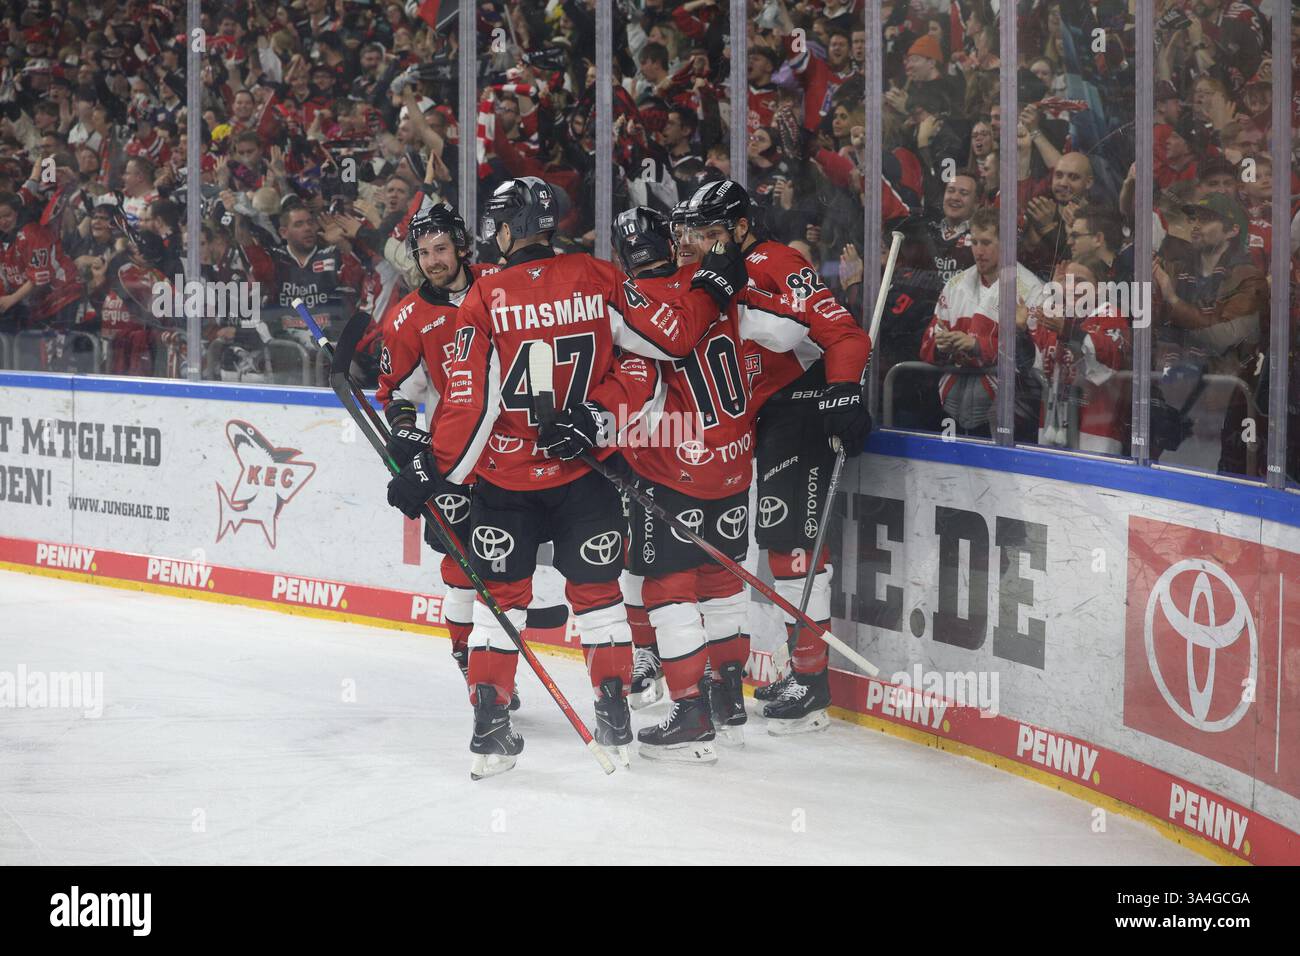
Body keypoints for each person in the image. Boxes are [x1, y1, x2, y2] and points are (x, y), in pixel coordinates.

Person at [387, 176, 747, 777]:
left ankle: (490, 731)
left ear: (506, 229)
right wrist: (599, 414)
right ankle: (615, 726)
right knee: (600, 602)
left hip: (506, 482)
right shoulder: (600, 276)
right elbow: (667, 344)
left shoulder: (487, 295)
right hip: (587, 476)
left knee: (498, 604)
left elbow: (470, 404)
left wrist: (428, 469)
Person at [678, 180, 872, 735]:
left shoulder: (774, 260)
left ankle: (811, 684)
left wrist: (842, 392)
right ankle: (803, 675)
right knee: (780, 542)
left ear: (742, 227)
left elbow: (843, 333)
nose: (707, 246)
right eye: (701, 236)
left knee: (794, 547)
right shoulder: (718, 272)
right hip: (767, 417)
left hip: (803, 410)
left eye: (716, 234)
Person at [375, 203, 502, 703]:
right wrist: (406, 431)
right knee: (459, 561)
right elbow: (399, 393)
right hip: (454, 453)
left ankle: (498, 657)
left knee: (506, 562)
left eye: (441, 249)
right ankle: (470, 662)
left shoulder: (499, 285)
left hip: (515, 447)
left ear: (462, 246)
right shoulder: (407, 317)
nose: (432, 261)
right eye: (423, 253)